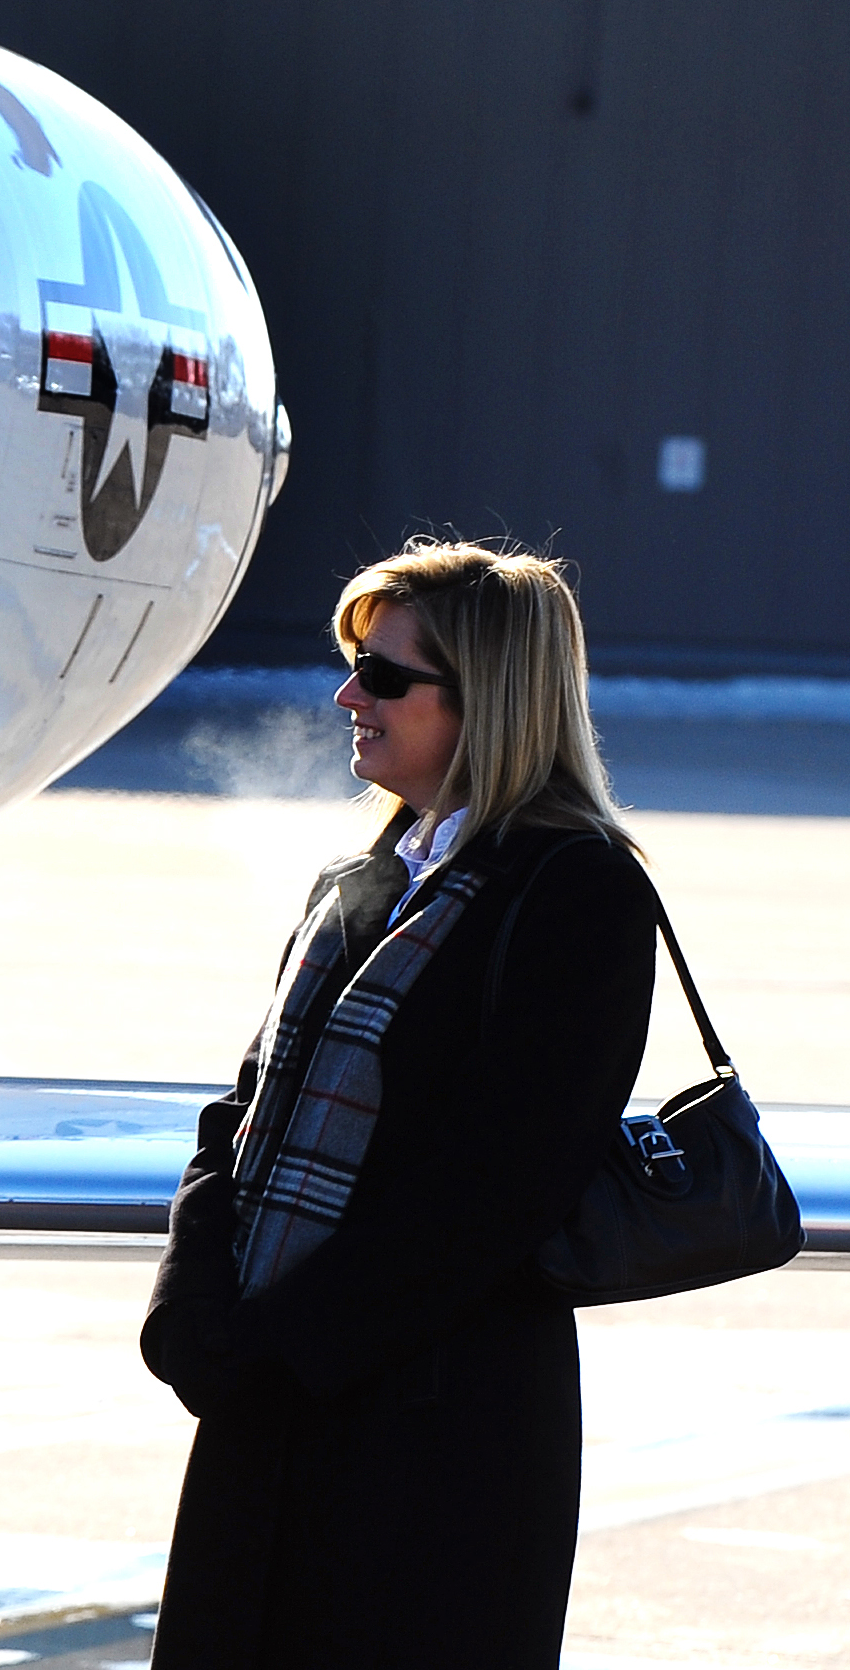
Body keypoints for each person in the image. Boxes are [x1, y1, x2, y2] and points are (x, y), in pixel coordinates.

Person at [140, 541, 658, 1668]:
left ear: (488, 701)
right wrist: (192, 1299)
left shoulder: (579, 892)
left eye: (382, 676)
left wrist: (274, 1346)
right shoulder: (363, 875)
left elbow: (494, 1192)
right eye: (351, 664)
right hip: (275, 1412)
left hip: (430, 1446)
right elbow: (242, 1112)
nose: (345, 696)